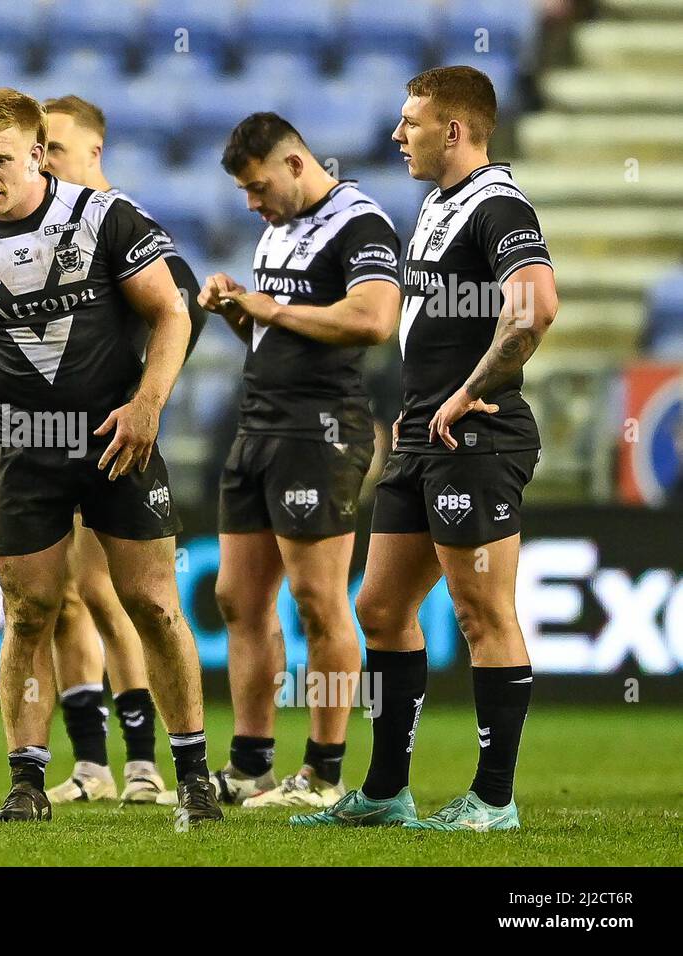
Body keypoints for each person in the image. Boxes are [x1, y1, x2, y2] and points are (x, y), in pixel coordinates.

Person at [0, 88, 220, 824]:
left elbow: (172, 313)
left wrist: (149, 406)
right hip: (25, 450)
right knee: (28, 614)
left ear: (37, 152)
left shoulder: (104, 219)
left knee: (152, 603)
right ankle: (27, 782)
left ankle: (192, 773)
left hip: (118, 440)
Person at [295, 65, 558, 832]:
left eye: (408, 122)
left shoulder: (498, 203)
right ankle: (384, 791)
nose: (394, 134)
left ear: (453, 130)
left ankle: (495, 801)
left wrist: (471, 388)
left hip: (475, 435)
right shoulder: (441, 206)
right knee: (379, 607)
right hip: (421, 435)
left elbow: (534, 307)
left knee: (482, 613)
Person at [196, 113, 402, 810]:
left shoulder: (360, 221)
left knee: (317, 599)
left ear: (293, 164)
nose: (252, 203)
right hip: (260, 423)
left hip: (320, 429)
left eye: (257, 188)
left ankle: (323, 772)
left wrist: (273, 311)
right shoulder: (278, 228)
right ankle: (252, 763)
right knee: (238, 598)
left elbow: (374, 320)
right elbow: (273, 329)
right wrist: (236, 309)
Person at [38, 94, 207, 805]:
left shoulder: (121, 220)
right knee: (68, 598)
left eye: (55, 146)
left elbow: (184, 303)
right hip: (51, 441)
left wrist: (144, 400)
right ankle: (93, 764)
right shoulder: (42, 227)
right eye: (36, 148)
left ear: (95, 152)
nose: (43, 160)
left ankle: (142, 760)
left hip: (111, 437)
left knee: (121, 596)